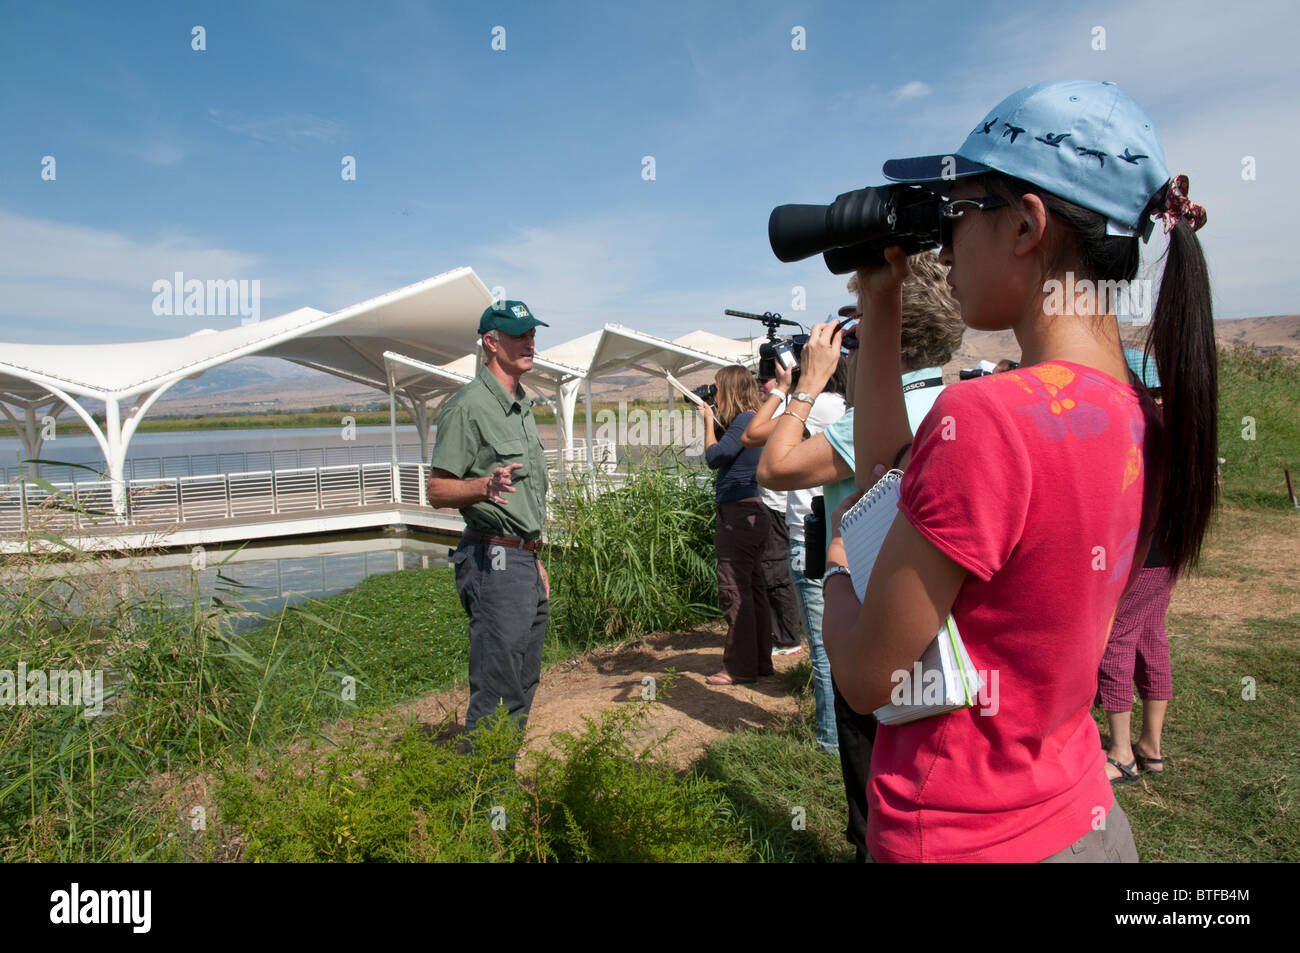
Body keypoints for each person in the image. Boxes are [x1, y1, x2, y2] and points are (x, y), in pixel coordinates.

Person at [820, 80, 1217, 862]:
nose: (942, 249)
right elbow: (889, 488)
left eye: (960, 214)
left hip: (964, 835)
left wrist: (836, 570)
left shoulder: (987, 419)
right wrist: (881, 302)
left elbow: (868, 677)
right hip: (1084, 819)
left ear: (1027, 225)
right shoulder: (1148, 425)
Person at [756, 259, 963, 858]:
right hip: (934, 610)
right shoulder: (950, 402)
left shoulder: (874, 419)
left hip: (869, 600)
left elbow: (774, 466)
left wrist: (807, 385)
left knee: (865, 742)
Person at [427, 299, 552, 738]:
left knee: (522, 683)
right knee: (498, 691)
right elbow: (437, 489)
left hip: (522, 562)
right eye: (520, 335)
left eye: (533, 334)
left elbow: (524, 503)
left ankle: (498, 789)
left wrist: (533, 557)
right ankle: (484, 802)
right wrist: (482, 486)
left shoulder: (520, 404)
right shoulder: (467, 406)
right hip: (492, 563)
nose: (530, 342)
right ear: (491, 342)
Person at [743, 350, 848, 747]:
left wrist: (787, 390)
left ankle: (829, 742)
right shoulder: (845, 405)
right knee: (844, 641)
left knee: (823, 651)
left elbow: (754, 434)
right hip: (844, 535)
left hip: (810, 538)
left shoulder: (815, 405)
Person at [1099, 349, 1177, 783]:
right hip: (1169, 553)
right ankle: (1152, 745)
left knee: (1117, 641)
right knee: (1150, 638)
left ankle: (1121, 751)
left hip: (1144, 554)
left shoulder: (1141, 430)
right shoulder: (1176, 428)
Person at [700, 365, 773, 686]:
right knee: (754, 589)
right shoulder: (751, 419)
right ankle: (759, 662)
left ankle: (740, 668)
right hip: (752, 513)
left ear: (728, 389)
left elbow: (715, 456)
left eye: (717, 388)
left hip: (738, 516)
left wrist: (706, 423)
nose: (714, 393)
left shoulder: (744, 420)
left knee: (735, 590)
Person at [753, 374, 805, 657]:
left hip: (782, 503)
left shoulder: (792, 408)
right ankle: (789, 633)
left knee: (777, 569)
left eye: (767, 379)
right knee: (778, 567)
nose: (761, 384)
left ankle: (789, 638)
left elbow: (751, 435)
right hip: (776, 501)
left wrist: (782, 390)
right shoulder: (785, 407)